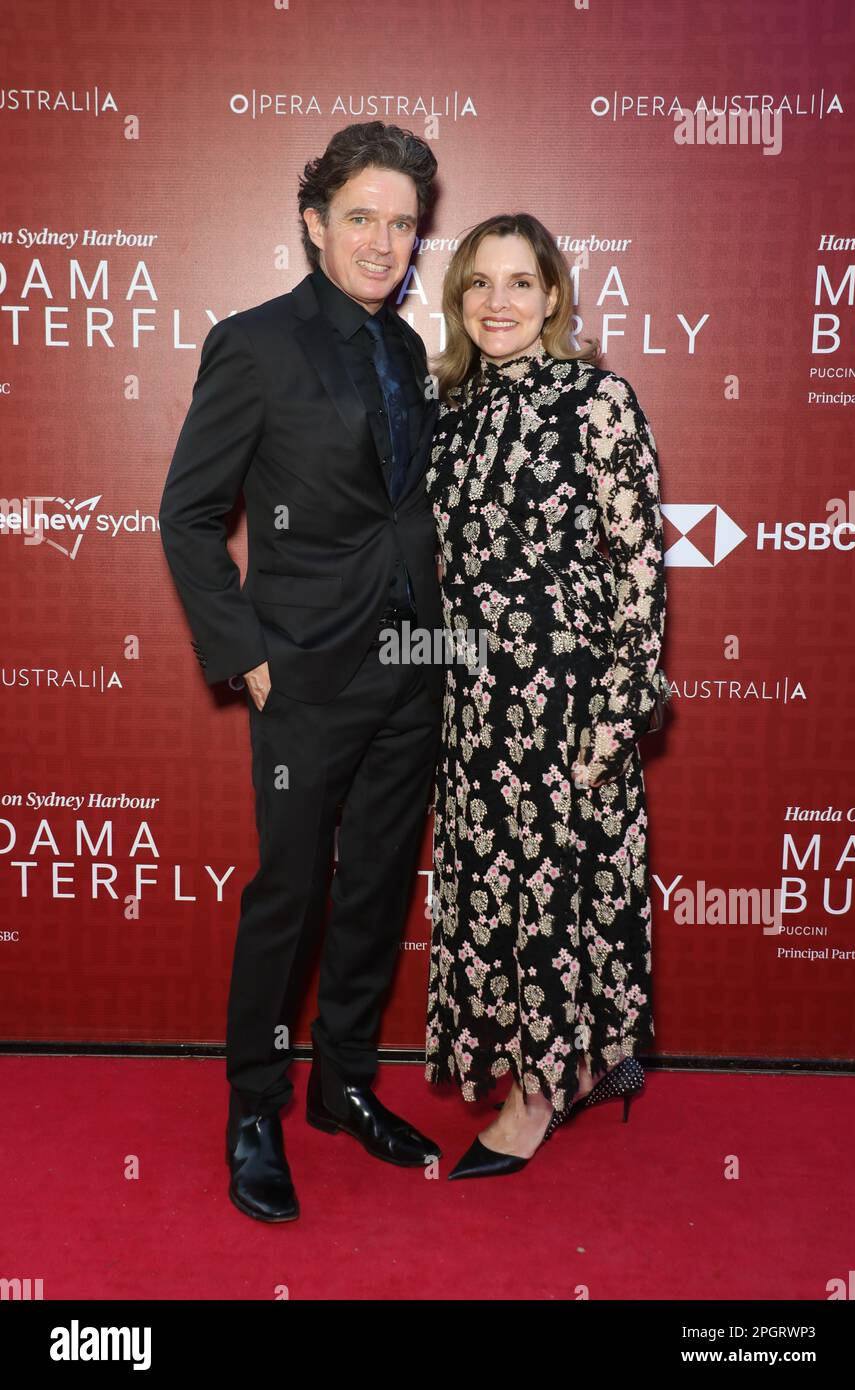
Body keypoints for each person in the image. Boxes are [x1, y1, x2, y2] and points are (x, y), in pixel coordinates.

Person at [159, 122, 445, 1222]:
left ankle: (343, 1086)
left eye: (401, 221)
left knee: (375, 888)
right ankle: (251, 1106)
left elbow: (400, 511)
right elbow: (186, 514)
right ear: (315, 223)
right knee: (291, 893)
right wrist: (243, 655)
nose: (382, 240)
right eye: (361, 216)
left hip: (411, 667)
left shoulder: (408, 349)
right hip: (305, 672)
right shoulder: (256, 342)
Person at [423, 213, 668, 1179]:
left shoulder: (597, 400)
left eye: (520, 283)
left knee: (559, 895)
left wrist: (617, 714)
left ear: (555, 296)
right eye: (479, 284)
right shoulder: (449, 410)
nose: (498, 303)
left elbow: (641, 564)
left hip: (569, 699)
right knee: (494, 890)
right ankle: (559, 1063)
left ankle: (541, 1095)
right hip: (470, 700)